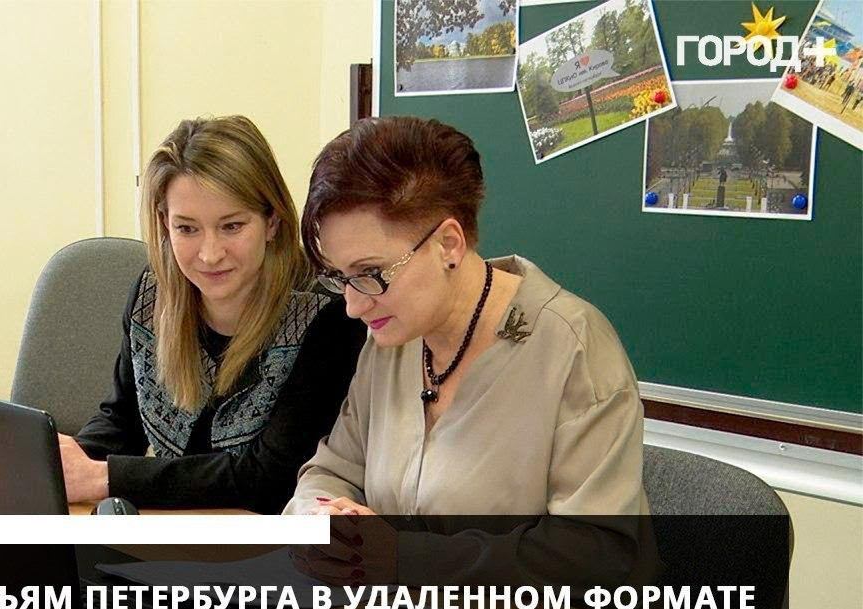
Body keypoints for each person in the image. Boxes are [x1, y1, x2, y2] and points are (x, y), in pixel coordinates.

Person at [284, 115, 648, 521]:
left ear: (448, 244)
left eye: (370, 273)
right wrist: (319, 518)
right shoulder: (391, 341)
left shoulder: (574, 349)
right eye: (339, 276)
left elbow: (595, 548)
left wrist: (401, 552)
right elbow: (331, 472)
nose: (353, 306)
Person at [60, 116, 366, 514]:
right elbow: (121, 420)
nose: (210, 254)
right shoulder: (152, 293)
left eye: (231, 226)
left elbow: (268, 478)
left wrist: (103, 478)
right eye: (187, 229)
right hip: (167, 528)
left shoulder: (326, 314)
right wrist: (65, 464)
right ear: (164, 224)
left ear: (272, 221)